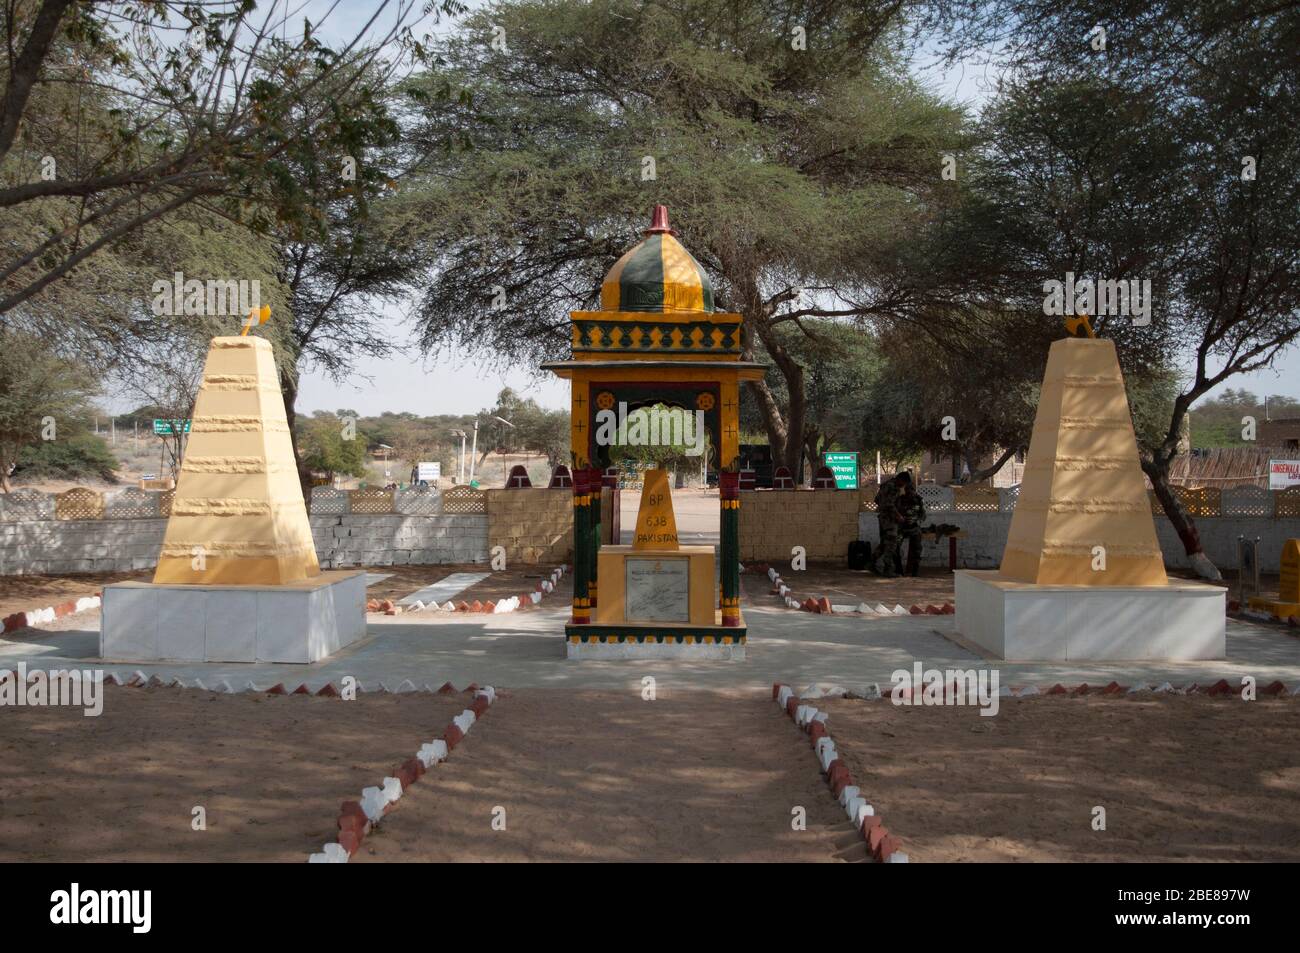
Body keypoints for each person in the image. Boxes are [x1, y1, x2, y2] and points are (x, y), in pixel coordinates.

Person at [869, 473, 907, 576]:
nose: (903, 486)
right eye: (903, 483)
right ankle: (888, 570)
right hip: (890, 519)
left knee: (884, 543)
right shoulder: (893, 487)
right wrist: (898, 516)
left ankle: (871, 563)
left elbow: (877, 500)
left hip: (883, 518)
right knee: (891, 544)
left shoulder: (885, 485)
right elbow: (889, 504)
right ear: (900, 479)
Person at [896, 475, 927, 577]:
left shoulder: (919, 500)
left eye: (912, 490)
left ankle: (915, 571)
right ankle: (899, 570)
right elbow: (895, 512)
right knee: (895, 547)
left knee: (917, 549)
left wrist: (917, 520)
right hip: (902, 528)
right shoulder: (900, 499)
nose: (910, 492)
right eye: (908, 490)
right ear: (905, 491)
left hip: (914, 527)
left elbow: (923, 515)